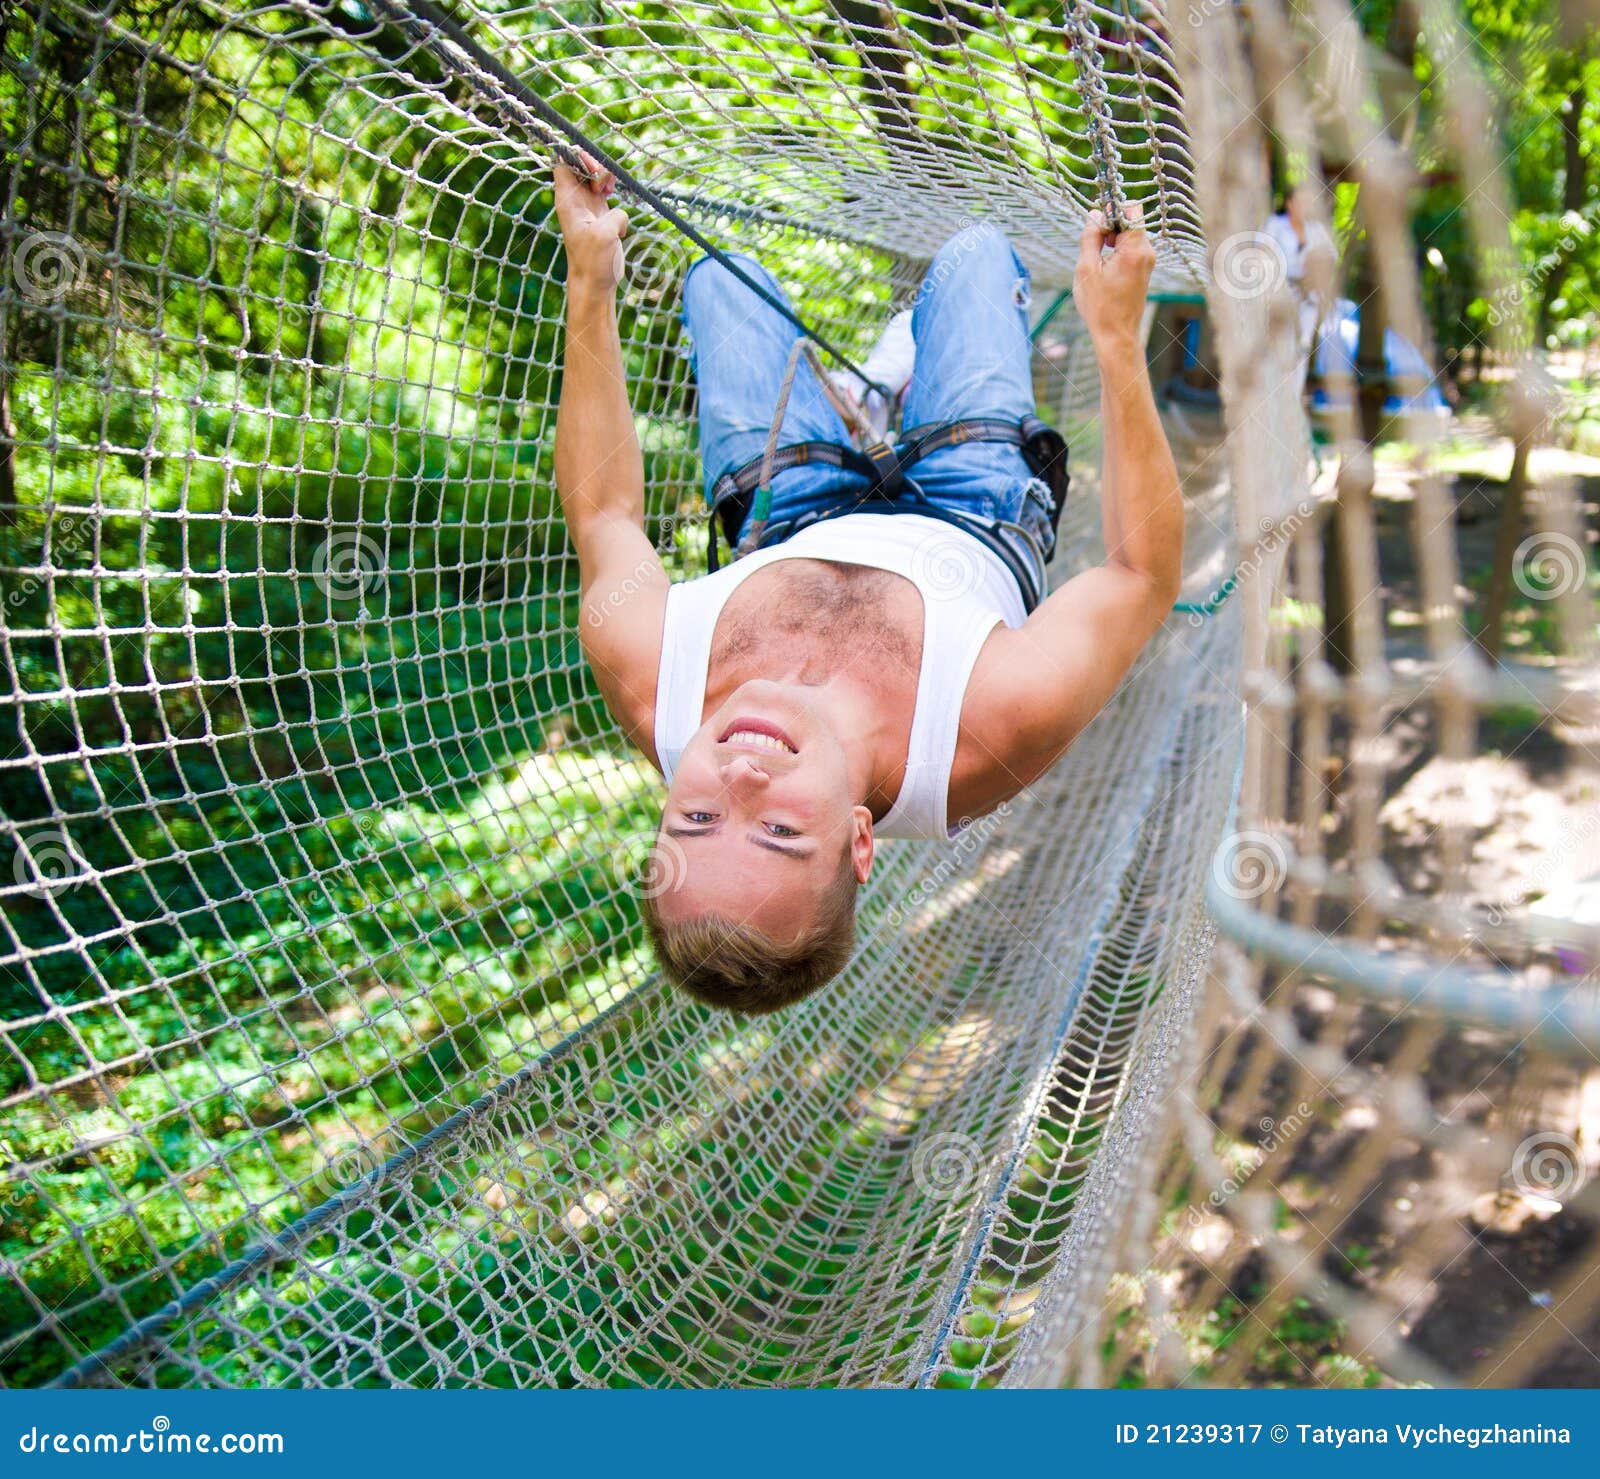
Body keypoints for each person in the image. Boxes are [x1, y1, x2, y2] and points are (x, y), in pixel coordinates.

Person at [553, 154, 1183, 1014]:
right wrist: (1115, 338)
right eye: (778, 831)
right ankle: (890, 397)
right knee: (972, 257)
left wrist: (589, 278)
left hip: (786, 514)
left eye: (694, 820)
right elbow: (1140, 574)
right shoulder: (990, 726)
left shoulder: (648, 674)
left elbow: (605, 517)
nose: (738, 780)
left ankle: (863, 401)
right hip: (973, 511)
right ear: (858, 841)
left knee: (721, 279)